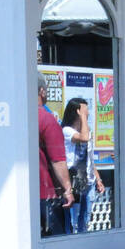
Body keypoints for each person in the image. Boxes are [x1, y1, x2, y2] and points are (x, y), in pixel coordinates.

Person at [61, 96, 105, 234]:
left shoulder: (86, 131)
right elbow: (84, 138)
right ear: (77, 112)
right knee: (73, 223)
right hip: (75, 182)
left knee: (85, 222)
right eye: (85, 111)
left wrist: (98, 179)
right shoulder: (67, 131)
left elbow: (90, 158)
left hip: (88, 182)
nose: (88, 113)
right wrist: (83, 118)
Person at [37, 74, 74, 236]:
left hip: (20, 195)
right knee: (55, 243)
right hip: (46, 196)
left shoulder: (17, 118)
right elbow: (57, 160)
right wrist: (68, 190)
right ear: (42, 91)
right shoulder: (47, 120)